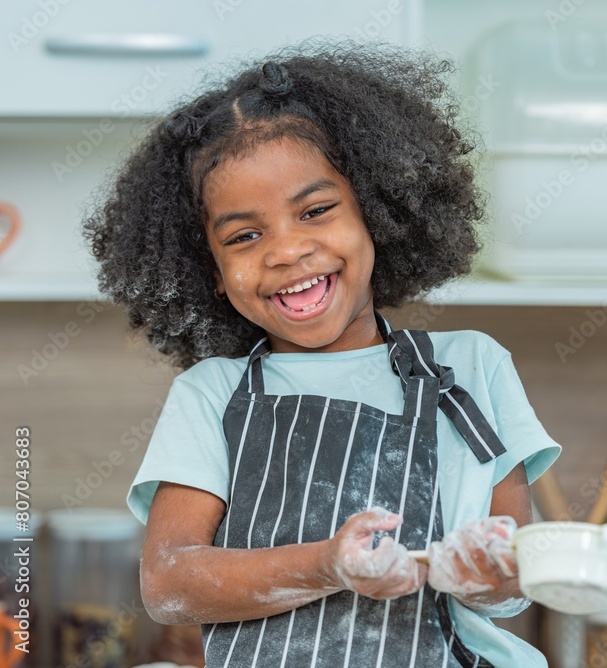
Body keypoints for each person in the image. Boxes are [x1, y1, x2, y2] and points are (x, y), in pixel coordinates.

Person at [83, 41, 561, 667]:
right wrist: (327, 564)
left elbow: (514, 579)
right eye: (246, 235)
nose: (286, 251)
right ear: (213, 272)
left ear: (379, 213)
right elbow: (170, 584)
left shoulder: (470, 368)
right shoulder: (211, 395)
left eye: (315, 210)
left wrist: (482, 571)